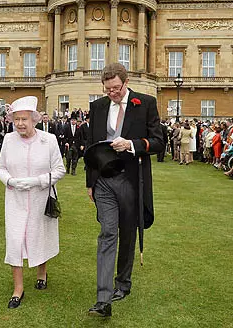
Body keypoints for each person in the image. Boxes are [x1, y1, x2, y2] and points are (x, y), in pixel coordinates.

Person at [85, 63, 164, 317]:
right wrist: (90, 182)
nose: (112, 94)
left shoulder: (146, 103)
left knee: (127, 233)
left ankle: (123, 283)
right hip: (104, 181)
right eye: (108, 90)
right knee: (108, 233)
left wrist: (131, 144)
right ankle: (103, 299)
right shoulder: (97, 107)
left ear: (126, 83)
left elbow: (158, 142)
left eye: (116, 89)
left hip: (131, 178)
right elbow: (90, 145)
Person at [0, 96, 65, 309]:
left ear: (34, 119)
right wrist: (10, 181)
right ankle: (18, 289)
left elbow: (59, 170)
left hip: (40, 198)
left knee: (39, 236)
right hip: (15, 199)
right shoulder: (8, 140)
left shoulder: (49, 140)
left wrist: (37, 181)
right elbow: (0, 168)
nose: (20, 124)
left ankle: (41, 273)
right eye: (16, 119)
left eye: (24, 119)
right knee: (15, 241)